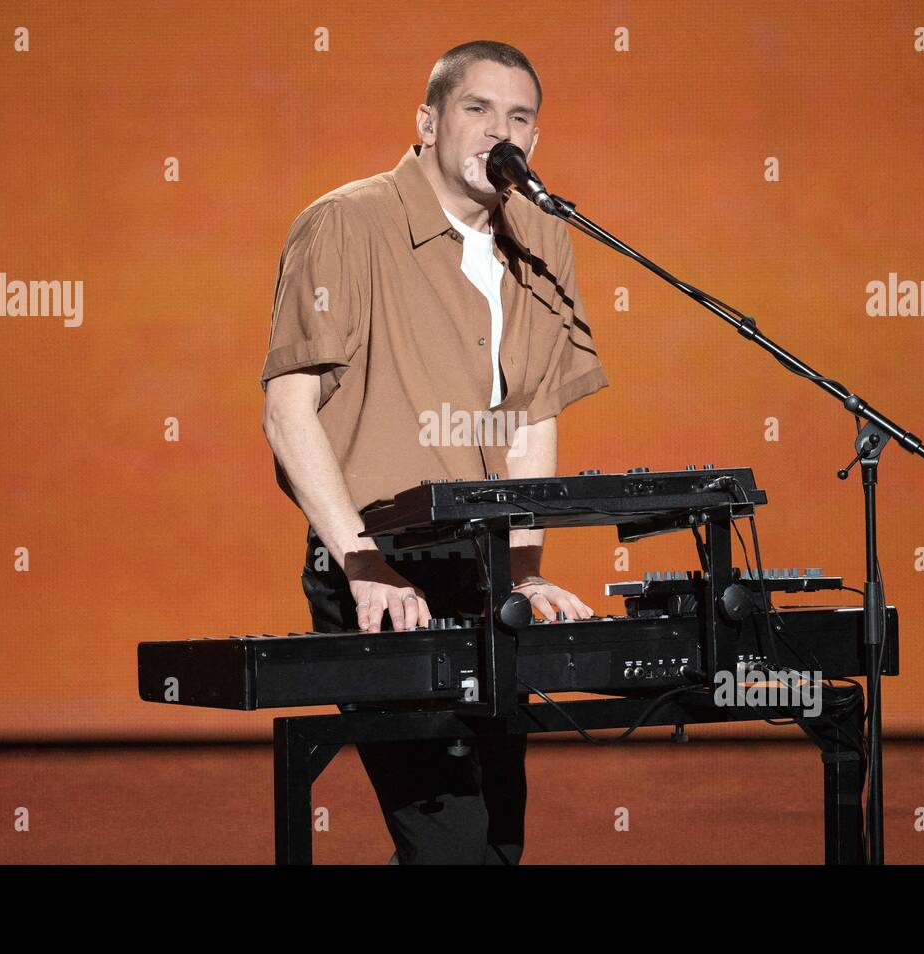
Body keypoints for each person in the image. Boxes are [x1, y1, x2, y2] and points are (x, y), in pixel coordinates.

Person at [260, 40, 608, 864]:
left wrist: (523, 570)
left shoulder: (541, 240)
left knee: (493, 845)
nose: (500, 131)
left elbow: (530, 421)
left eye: (519, 116)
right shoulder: (347, 223)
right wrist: (361, 561)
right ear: (427, 123)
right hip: (383, 571)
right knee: (452, 845)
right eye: (477, 109)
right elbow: (287, 411)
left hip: (486, 577)